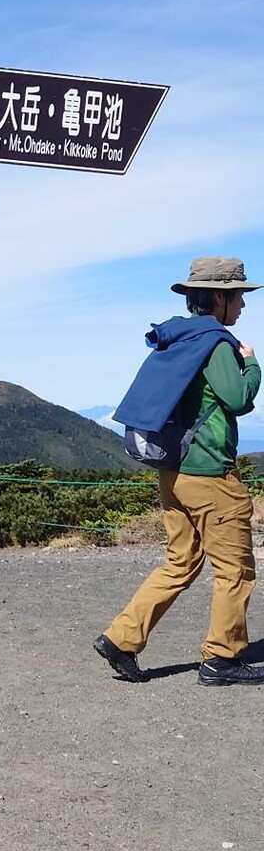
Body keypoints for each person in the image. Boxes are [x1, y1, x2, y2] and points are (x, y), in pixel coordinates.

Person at [94, 256, 263, 685]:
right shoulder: (218, 343)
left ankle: (121, 639)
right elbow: (238, 397)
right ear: (219, 299)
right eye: (239, 296)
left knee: (180, 562)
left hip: (174, 472)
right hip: (210, 476)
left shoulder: (180, 339)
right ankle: (221, 659)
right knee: (235, 569)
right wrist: (252, 364)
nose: (243, 305)